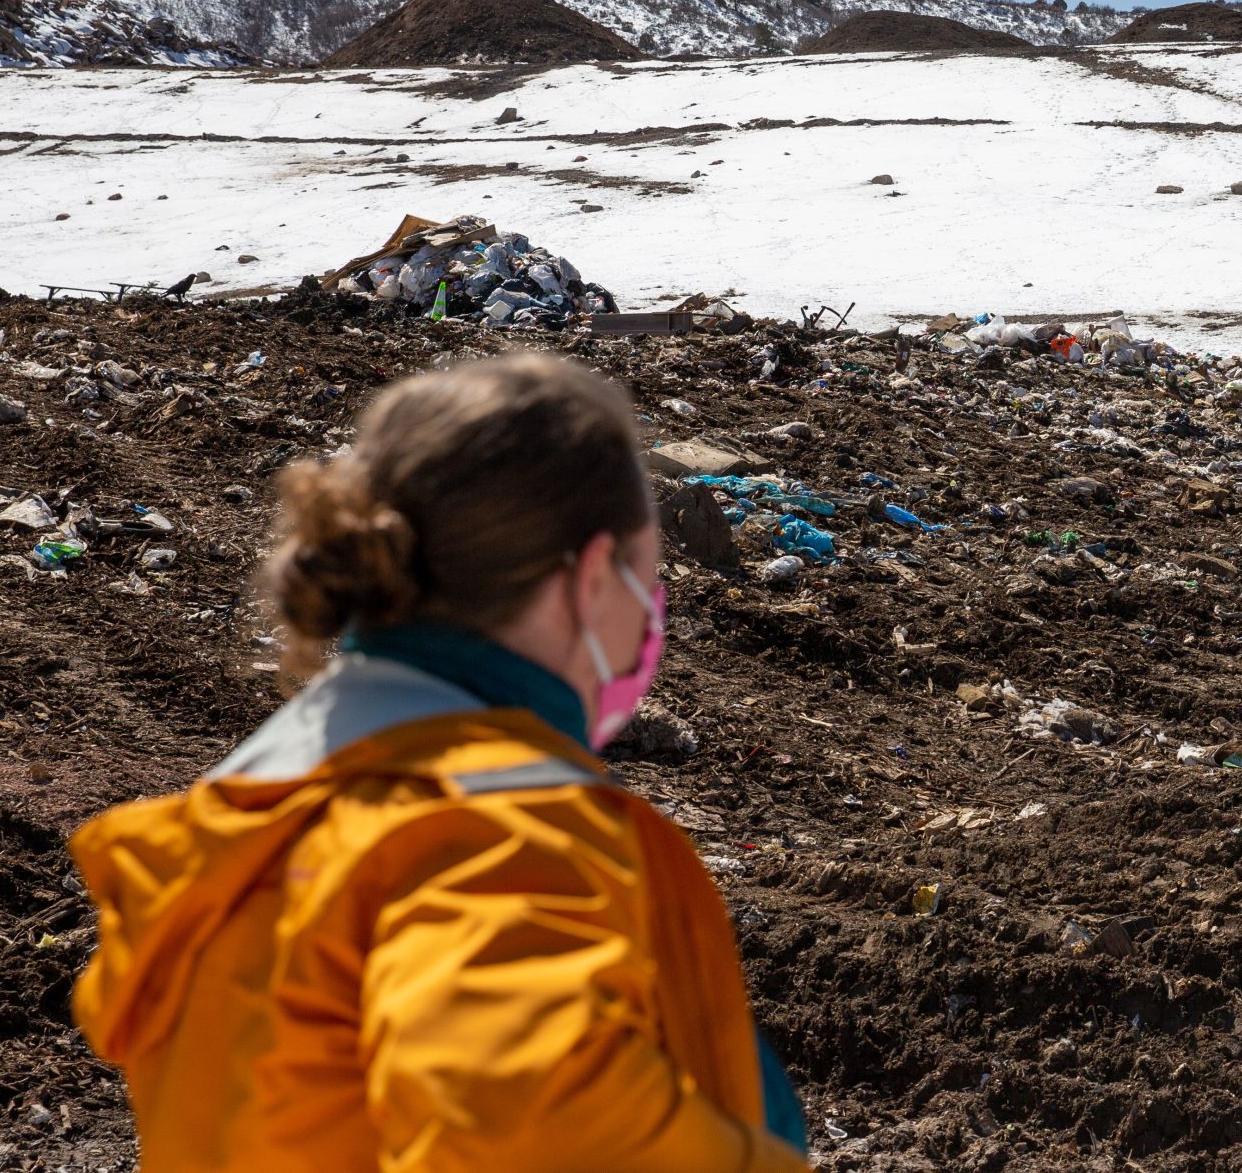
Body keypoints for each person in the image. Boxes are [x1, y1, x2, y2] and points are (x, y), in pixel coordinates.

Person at [70, 354, 809, 1171]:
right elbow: (518, 1111)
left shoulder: (252, 809)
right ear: (594, 575)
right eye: (648, 573)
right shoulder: (493, 829)